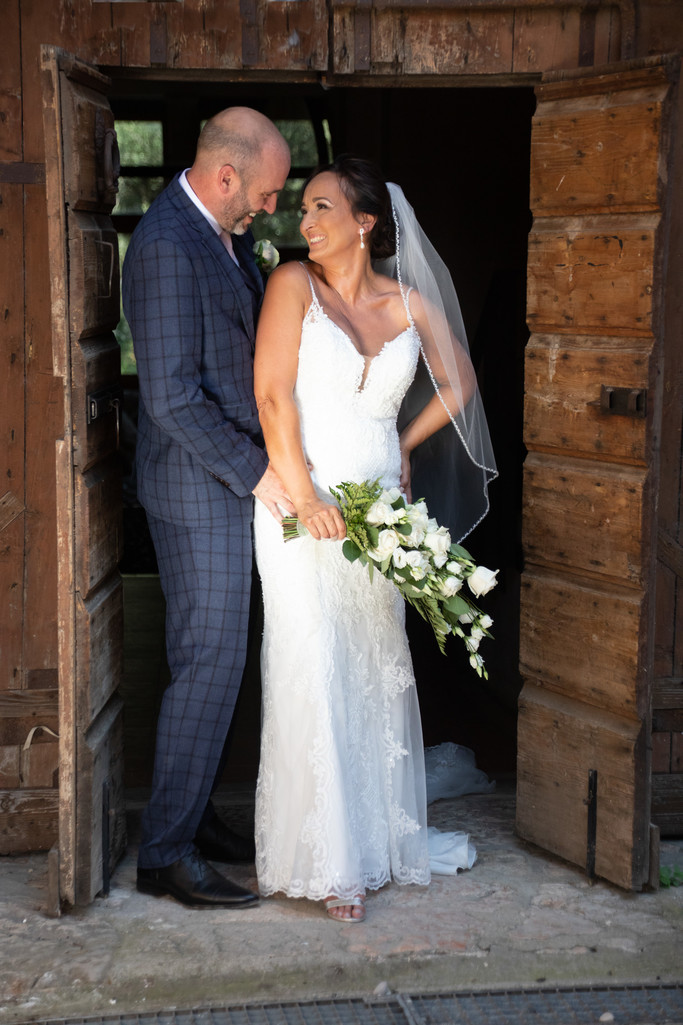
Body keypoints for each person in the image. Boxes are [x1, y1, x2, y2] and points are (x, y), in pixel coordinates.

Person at [253, 155, 496, 922]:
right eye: (302, 209)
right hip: (300, 507)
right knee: (312, 663)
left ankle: (374, 839)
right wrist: (301, 496)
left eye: (322, 208)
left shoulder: (412, 304)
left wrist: (403, 444)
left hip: (378, 517)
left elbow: (460, 385)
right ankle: (327, 863)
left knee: (372, 664)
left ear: (364, 223)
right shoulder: (293, 286)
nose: (306, 222)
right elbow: (272, 396)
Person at [122, 107, 293, 909]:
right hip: (199, 488)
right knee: (207, 661)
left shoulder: (221, 233)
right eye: (263, 194)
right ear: (225, 177)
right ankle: (163, 850)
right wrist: (259, 473)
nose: (269, 210)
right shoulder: (163, 246)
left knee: (224, 657)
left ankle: (192, 817)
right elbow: (170, 399)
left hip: (227, 481)